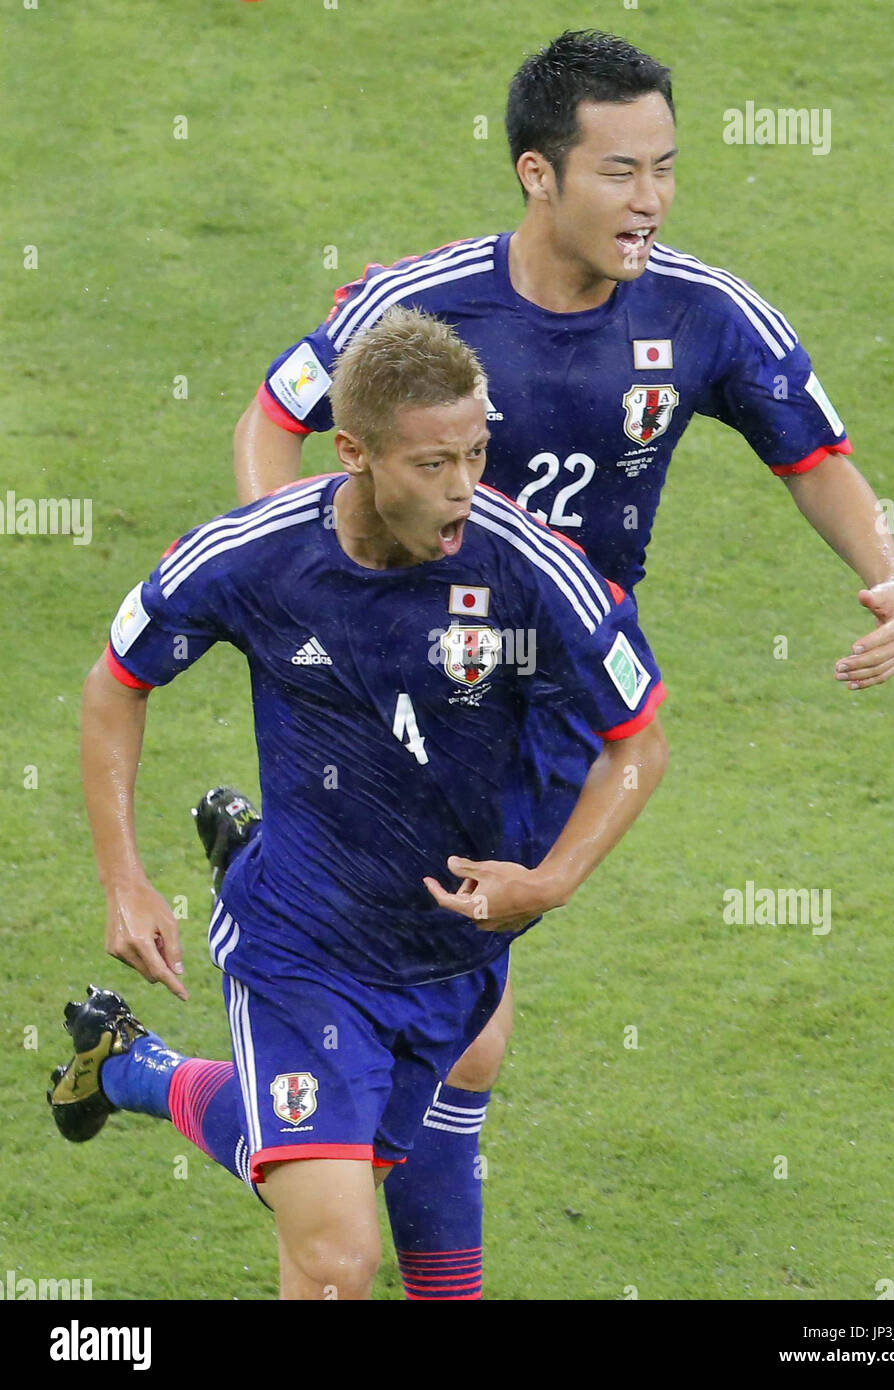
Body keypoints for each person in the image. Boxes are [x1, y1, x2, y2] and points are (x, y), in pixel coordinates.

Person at [229, 29, 894, 1292]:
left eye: (664, 168)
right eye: (618, 171)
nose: (648, 200)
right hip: (407, 680)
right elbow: (275, 418)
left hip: (563, 710)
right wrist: (295, 596)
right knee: (451, 1020)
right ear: (536, 175)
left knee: (450, 1032)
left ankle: (184, 1023)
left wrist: (882, 567)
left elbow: (810, 455)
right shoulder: (425, 308)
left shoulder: (702, 312)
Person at [50, 308, 668, 1301]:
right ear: (353, 453)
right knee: (337, 1259)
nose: (463, 486)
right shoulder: (253, 555)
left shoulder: (528, 566)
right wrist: (123, 880)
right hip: (301, 943)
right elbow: (114, 683)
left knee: (329, 1168)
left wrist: (552, 880)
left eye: (476, 452)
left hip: (449, 961)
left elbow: (640, 742)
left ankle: (134, 1069)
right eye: (431, 464)